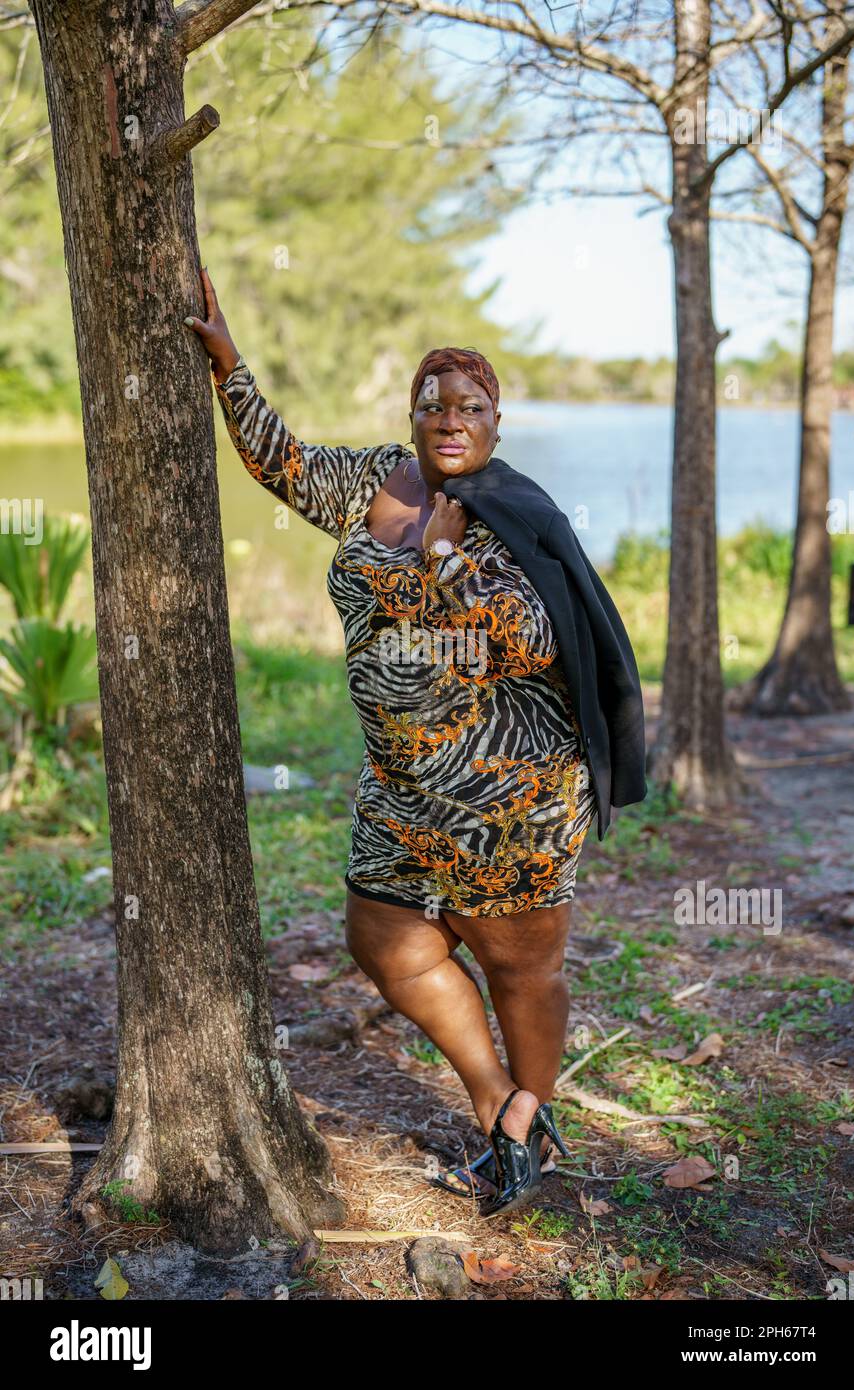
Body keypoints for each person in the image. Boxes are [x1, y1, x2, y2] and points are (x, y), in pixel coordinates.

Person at [184, 266, 637, 1215]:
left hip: (507, 799)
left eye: (471, 405)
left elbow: (525, 638)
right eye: (434, 403)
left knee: (520, 965)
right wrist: (230, 365)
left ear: (496, 424)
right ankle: (498, 1100)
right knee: (386, 942)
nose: (450, 418)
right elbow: (287, 466)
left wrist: (441, 556)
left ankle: (528, 1125)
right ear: (414, 412)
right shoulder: (373, 481)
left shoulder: (513, 514)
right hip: (400, 790)